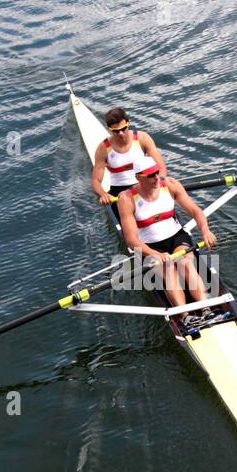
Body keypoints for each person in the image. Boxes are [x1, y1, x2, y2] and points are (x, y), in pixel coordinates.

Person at [117, 157, 218, 326]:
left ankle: (206, 310)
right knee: (169, 270)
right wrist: (154, 254)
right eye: (150, 175)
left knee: (185, 263)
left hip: (177, 237)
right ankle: (185, 317)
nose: (157, 177)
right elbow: (131, 240)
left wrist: (205, 230)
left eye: (157, 172)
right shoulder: (126, 199)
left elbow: (196, 211)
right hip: (149, 245)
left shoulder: (170, 184)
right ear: (138, 178)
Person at [91, 107, 167, 204]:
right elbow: (95, 182)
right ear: (109, 129)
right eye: (116, 131)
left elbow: (161, 168)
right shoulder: (103, 149)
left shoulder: (142, 138)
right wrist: (104, 194)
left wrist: (157, 186)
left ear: (128, 123)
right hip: (119, 192)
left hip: (144, 185)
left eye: (123, 129)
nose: (121, 134)